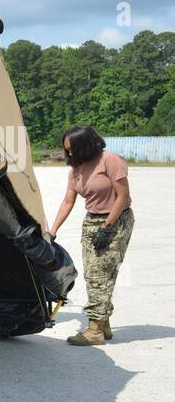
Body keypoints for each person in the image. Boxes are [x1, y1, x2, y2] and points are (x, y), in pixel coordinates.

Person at [47, 125, 135, 346]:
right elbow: (68, 201)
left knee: (100, 275)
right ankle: (103, 323)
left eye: (72, 149)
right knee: (92, 274)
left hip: (116, 220)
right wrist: (53, 230)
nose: (69, 154)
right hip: (92, 220)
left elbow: (123, 196)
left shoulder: (110, 160)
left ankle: (95, 329)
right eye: (67, 150)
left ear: (86, 145)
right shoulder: (76, 170)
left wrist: (107, 227)